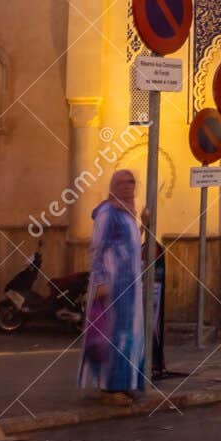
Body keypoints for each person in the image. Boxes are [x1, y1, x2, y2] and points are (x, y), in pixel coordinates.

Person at [80, 170, 148, 405]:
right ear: (114, 185)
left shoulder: (127, 212)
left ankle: (123, 383)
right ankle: (108, 389)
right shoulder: (108, 212)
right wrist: (100, 281)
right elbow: (97, 249)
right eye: (123, 182)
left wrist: (143, 226)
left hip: (130, 285)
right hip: (112, 285)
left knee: (129, 335)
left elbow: (130, 245)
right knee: (113, 335)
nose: (128, 185)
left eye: (132, 181)